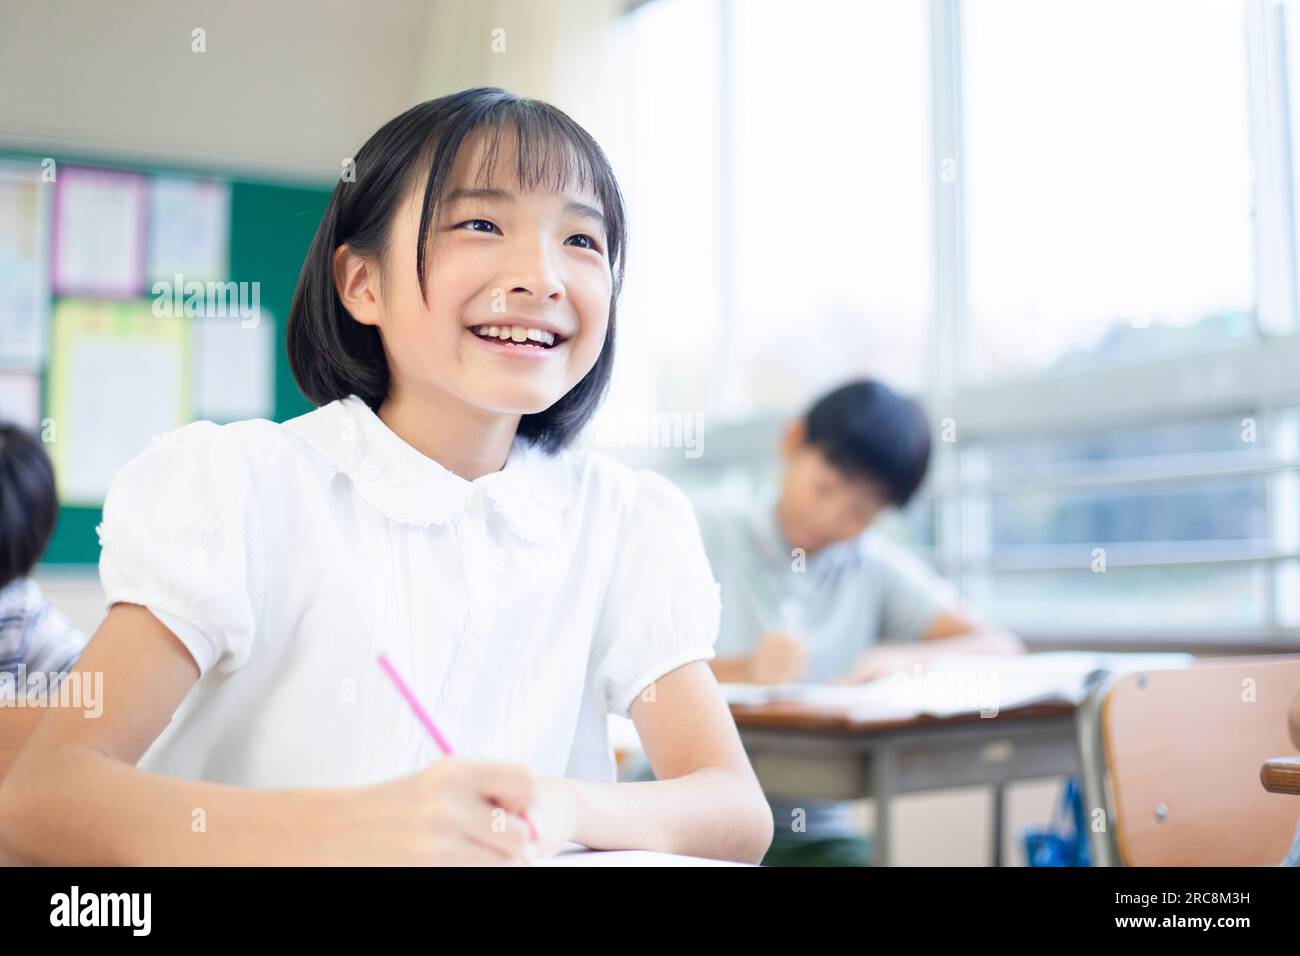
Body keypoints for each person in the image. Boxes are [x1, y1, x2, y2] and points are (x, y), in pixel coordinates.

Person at [0, 88, 772, 866]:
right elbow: (45, 798)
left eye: (581, 239)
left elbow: (736, 810)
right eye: (481, 223)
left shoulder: (622, 519)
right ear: (361, 284)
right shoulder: (242, 488)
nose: (542, 277)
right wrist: (363, 828)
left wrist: (562, 802)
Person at [699, 379, 1022, 866]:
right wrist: (745, 670)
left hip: (813, 832)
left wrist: (904, 660)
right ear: (792, 444)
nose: (829, 518)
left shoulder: (872, 567)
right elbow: (623, 672)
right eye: (824, 488)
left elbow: (999, 645)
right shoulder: (704, 529)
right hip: (691, 817)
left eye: (860, 510)